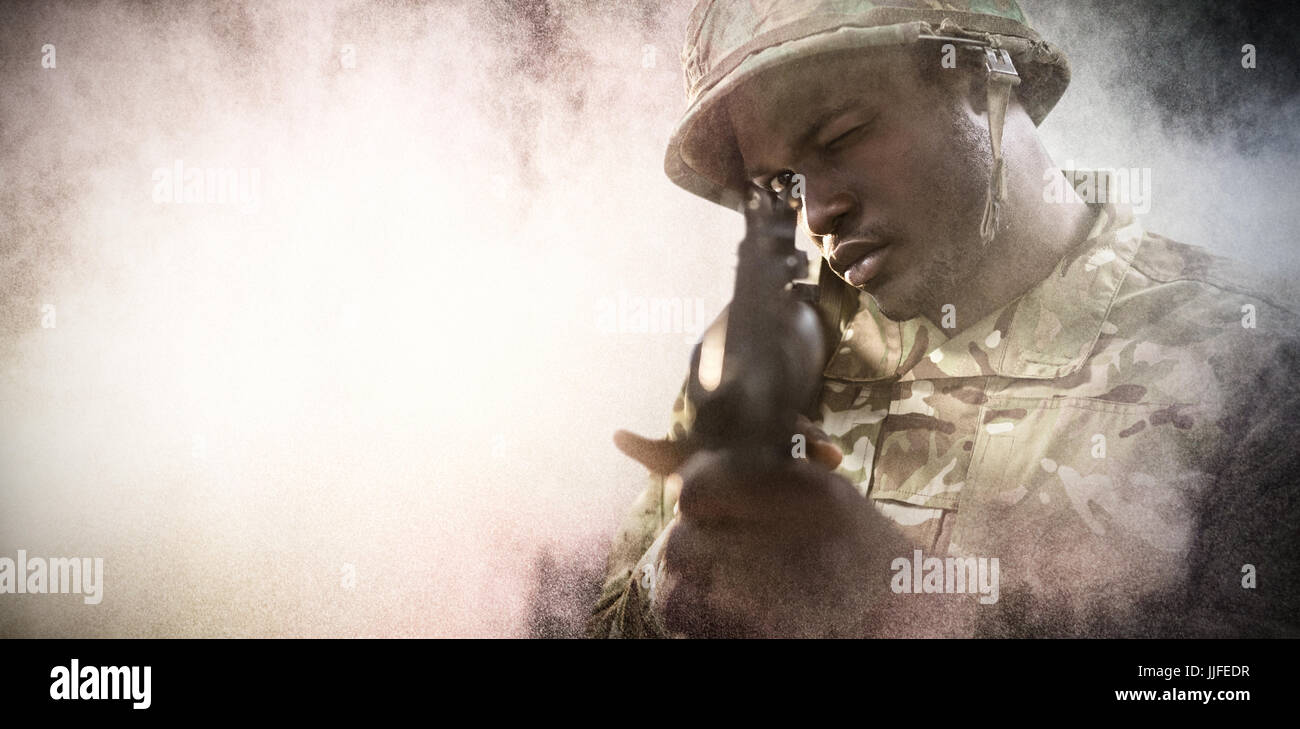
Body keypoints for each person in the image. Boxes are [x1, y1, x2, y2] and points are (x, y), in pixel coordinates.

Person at [589, 0, 1300, 638]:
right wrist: (670, 582)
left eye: (841, 136)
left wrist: (902, 609)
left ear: (981, 79)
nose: (815, 212)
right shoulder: (765, 358)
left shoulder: (1255, 368)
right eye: (781, 184)